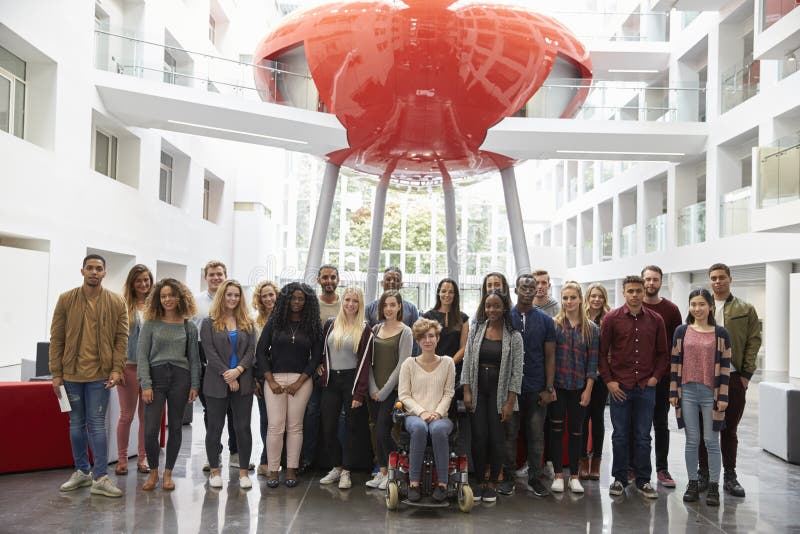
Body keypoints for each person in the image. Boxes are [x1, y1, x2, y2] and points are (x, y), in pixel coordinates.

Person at [49, 254, 128, 498]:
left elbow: (121, 339)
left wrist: (116, 369)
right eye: (90, 268)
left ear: (105, 272)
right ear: (82, 271)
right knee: (76, 424)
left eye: (99, 268)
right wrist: (56, 374)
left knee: (97, 425)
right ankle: (82, 471)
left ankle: (101, 477)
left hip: (100, 375)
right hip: (71, 374)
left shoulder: (116, 301)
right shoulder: (66, 299)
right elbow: (56, 338)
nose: (94, 272)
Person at [600, 275, 669, 499]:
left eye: (638, 291)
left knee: (643, 436)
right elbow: (601, 353)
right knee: (620, 435)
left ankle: (643, 480)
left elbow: (663, 354)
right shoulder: (611, 318)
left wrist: (655, 378)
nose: (635, 295)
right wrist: (609, 381)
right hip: (620, 387)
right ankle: (619, 479)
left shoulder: (656, 319)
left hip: (646, 388)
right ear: (624, 293)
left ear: (643, 292)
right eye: (630, 291)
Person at [698, 263, 761, 497]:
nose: (718, 281)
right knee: (704, 428)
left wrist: (746, 375)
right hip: (704, 378)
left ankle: (730, 475)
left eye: (722, 277)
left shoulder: (746, 309)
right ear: (710, 281)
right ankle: (704, 473)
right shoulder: (702, 307)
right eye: (714, 278)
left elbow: (754, 341)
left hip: (734, 377)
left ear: (730, 279)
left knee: (729, 429)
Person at [256, 282, 322, 488]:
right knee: (275, 425)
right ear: (286, 299)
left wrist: (300, 382)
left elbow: (316, 357)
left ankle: (291, 469)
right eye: (293, 298)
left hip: (301, 381)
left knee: (295, 426)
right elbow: (260, 352)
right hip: (274, 380)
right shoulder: (275, 321)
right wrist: (270, 380)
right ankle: (273, 470)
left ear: (307, 302)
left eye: (301, 299)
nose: (297, 302)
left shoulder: (312, 324)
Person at [137, 278, 201, 491]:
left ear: (180, 298)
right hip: (155, 378)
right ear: (158, 299)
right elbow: (142, 356)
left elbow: (194, 358)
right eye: (163, 296)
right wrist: (146, 384)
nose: (167, 299)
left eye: (171, 295)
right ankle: (153, 472)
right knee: (150, 430)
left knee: (175, 427)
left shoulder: (189, 326)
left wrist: (195, 384)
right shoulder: (151, 324)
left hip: (181, 379)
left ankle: (168, 474)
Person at [670, 288, 731, 507]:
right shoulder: (681, 331)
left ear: (710, 307)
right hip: (687, 390)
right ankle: (692, 483)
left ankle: (714, 485)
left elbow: (725, 367)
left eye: (702, 304)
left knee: (711, 441)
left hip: (711, 393)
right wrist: (673, 391)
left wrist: (723, 396)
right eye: (693, 304)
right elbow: (674, 362)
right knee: (692, 440)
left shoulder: (721, 333)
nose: (697, 308)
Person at [461, 290, 523, 503]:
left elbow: (517, 372)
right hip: (478, 391)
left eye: (497, 306)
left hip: (500, 394)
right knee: (479, 437)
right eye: (488, 306)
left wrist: (510, 402)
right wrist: (467, 390)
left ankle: (493, 483)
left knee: (497, 438)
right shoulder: (476, 329)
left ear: (504, 308)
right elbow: (467, 361)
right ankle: (480, 481)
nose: (492, 310)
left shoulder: (514, 336)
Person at [502, 274, 556, 498]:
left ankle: (535, 478)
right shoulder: (505, 317)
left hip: (536, 386)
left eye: (531, 287)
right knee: (509, 434)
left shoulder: (546, 321)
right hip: (510, 389)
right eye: (523, 287)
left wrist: (549, 388)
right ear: (515, 290)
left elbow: (550, 356)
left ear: (537, 291)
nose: (527, 291)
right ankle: (508, 478)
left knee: (536, 435)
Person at [200, 279, 257, 489]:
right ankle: (214, 471)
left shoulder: (247, 322)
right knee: (214, 428)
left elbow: (251, 351)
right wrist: (228, 375)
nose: (233, 298)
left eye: (236, 295)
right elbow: (210, 353)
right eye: (229, 294)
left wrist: (238, 371)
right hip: (216, 381)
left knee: (243, 428)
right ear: (222, 296)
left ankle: (243, 473)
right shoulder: (209, 322)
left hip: (243, 381)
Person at [318, 287, 373, 490]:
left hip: (352, 381)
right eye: (348, 299)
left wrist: (359, 393)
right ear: (343, 301)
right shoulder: (331, 324)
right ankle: (337, 466)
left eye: (355, 301)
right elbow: (322, 351)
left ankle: (347, 471)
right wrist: (320, 366)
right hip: (331, 381)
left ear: (360, 304)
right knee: (328, 427)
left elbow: (365, 364)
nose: (350, 304)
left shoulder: (365, 328)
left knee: (351, 428)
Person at [398, 318, 456, 502]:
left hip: (441, 416)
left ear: (437, 338)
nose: (427, 340)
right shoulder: (408, 364)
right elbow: (404, 395)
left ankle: (443, 484)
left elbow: (449, 393)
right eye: (423, 337)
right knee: (419, 427)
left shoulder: (448, 363)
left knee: (438, 429)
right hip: (414, 416)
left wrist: (437, 413)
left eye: (431, 336)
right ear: (417, 340)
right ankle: (414, 484)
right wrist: (422, 412)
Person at [195, 261, 245, 471]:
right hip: (205, 357)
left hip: (233, 357)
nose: (216, 278)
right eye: (212, 274)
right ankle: (213, 453)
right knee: (211, 410)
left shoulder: (235, 302)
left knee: (235, 411)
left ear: (225, 276)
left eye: (219, 274)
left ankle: (236, 453)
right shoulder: (195, 302)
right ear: (205, 277)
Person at [548, 282, 598, 493]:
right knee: (556, 430)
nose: (569, 302)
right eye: (565, 298)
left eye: (573, 298)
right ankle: (558, 475)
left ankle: (574, 476)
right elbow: (549, 358)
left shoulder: (591, 329)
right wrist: (549, 387)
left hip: (579, 387)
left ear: (580, 299)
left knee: (577, 432)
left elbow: (593, 363)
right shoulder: (554, 325)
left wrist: (588, 390)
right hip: (557, 386)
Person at [640, 265, 683, 488]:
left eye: (655, 279)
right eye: (647, 279)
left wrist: (675, 378)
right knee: (638, 425)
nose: (651, 283)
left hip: (663, 377)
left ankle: (662, 468)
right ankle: (636, 467)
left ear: (661, 282)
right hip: (637, 377)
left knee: (660, 423)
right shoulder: (634, 306)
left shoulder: (671, 310)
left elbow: (677, 347)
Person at [367, 290, 413, 488]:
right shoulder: (375, 329)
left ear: (399, 306)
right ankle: (383, 471)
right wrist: (372, 388)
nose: (388, 309)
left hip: (392, 392)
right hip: (373, 391)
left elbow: (402, 365)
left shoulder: (406, 332)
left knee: (383, 431)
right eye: (385, 305)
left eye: (393, 305)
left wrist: (384, 391)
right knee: (377, 431)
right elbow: (368, 361)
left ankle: (399, 467)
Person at [422, 278, 469, 468]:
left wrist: (447, 363)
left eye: (450, 291)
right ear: (438, 293)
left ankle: (448, 456)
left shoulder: (463, 318)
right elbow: (424, 343)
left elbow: (464, 347)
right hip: (430, 370)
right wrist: (436, 364)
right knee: (430, 409)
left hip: (453, 371)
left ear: (455, 295)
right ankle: (428, 456)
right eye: (443, 291)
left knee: (449, 414)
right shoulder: (428, 316)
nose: (447, 295)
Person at [299, 265, 342, 472]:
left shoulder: (345, 304)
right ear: (318, 280)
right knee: (312, 412)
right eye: (325, 277)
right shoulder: (311, 305)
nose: (329, 281)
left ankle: (340, 462)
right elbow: (307, 337)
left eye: (333, 277)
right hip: (315, 368)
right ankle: (307, 459)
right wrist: (315, 365)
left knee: (338, 416)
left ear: (338, 280)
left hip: (340, 369)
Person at [116, 263, 153, 476]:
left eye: (146, 280)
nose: (143, 284)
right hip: (128, 368)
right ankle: (122, 460)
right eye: (138, 280)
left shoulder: (156, 306)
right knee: (126, 416)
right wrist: (116, 368)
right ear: (132, 283)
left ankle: (142, 458)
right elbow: (115, 338)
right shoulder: (122, 305)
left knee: (146, 417)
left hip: (151, 369)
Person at [580, 282, 611, 480]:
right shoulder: (580, 317)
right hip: (581, 375)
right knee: (582, 420)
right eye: (593, 296)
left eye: (600, 296)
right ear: (587, 298)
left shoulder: (609, 319)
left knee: (597, 418)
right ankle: (583, 460)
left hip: (600, 377)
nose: (596, 299)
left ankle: (597, 461)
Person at [252, 280, 279, 477]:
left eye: (271, 294)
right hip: (262, 376)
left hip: (283, 374)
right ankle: (266, 460)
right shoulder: (255, 323)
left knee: (281, 421)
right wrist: (255, 378)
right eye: (264, 296)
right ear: (259, 300)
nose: (268, 299)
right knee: (266, 419)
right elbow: (254, 353)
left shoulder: (285, 318)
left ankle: (278, 460)